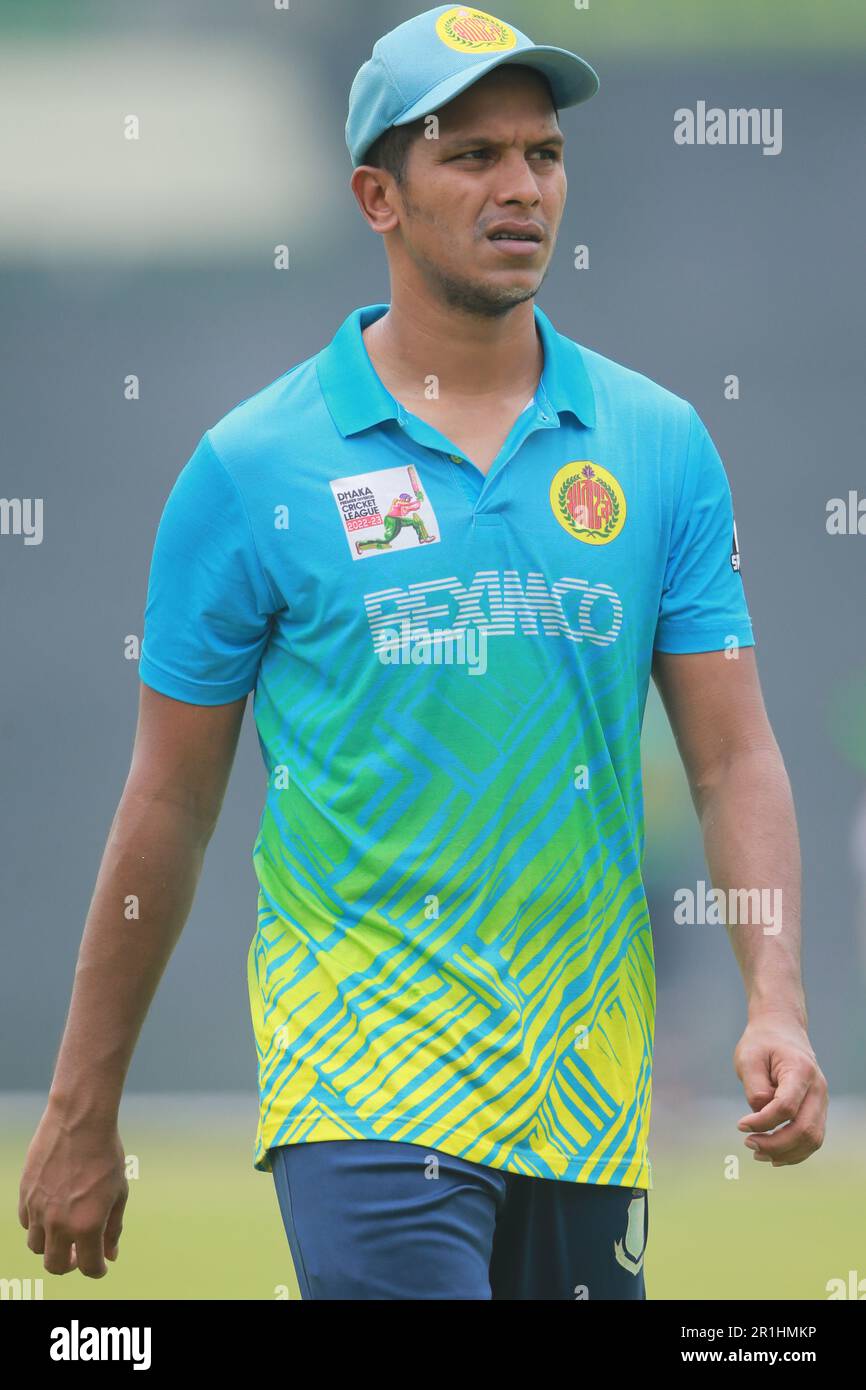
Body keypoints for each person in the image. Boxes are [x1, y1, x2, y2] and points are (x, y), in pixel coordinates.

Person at [19, 5, 827, 1300]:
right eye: (470, 156)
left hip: (586, 1102)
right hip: (363, 1086)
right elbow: (167, 799)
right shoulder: (251, 467)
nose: (519, 188)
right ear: (374, 197)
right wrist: (81, 1102)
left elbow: (732, 759)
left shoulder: (657, 441)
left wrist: (773, 996)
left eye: (542, 155)